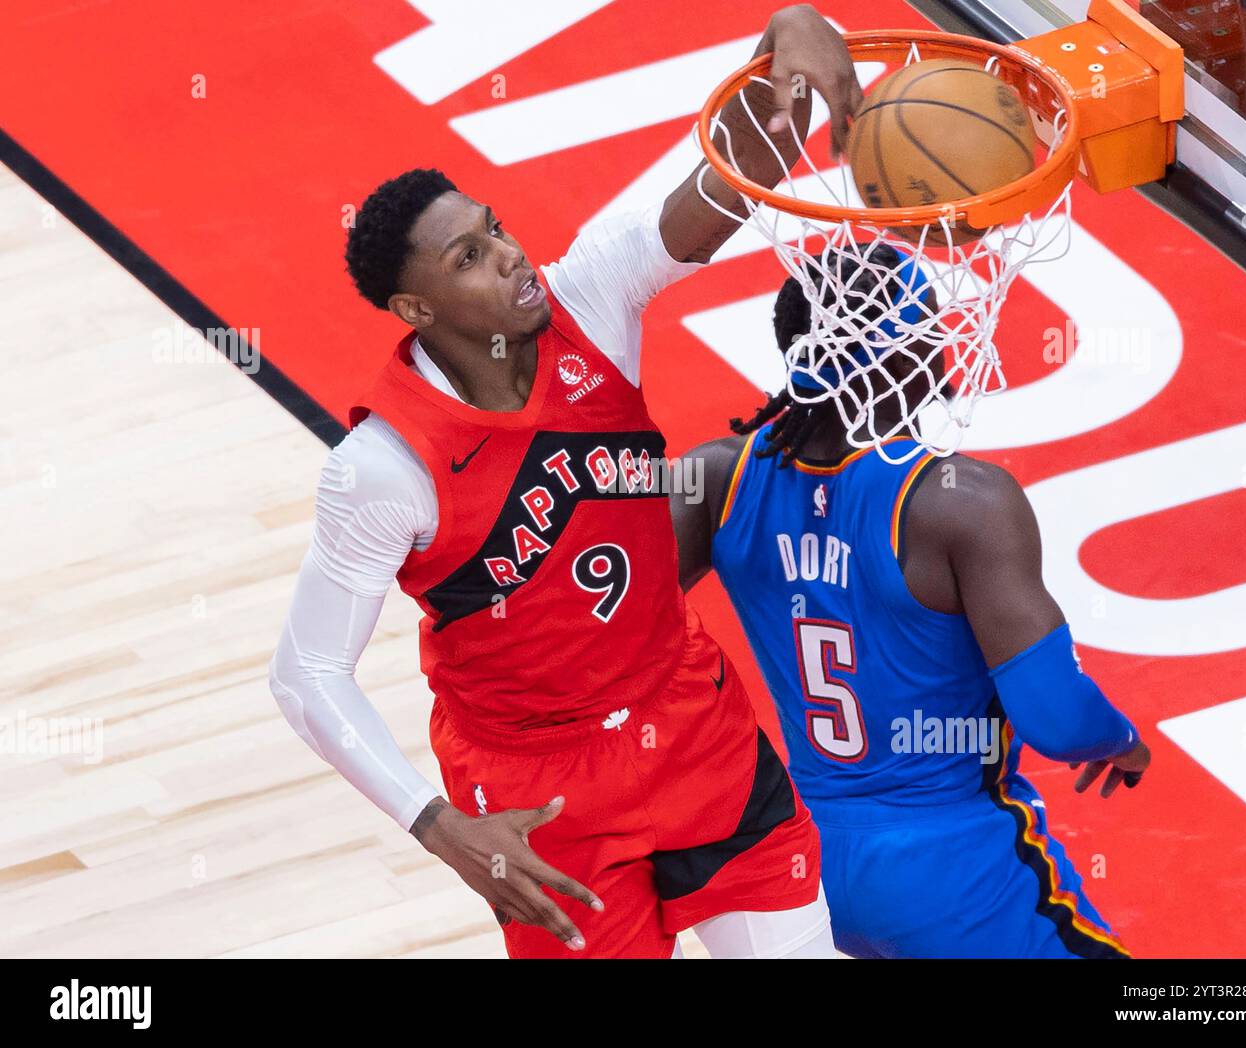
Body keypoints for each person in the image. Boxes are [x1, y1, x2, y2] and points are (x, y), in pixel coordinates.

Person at [269, 5, 864, 959]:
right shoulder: (382, 468)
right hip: (541, 800)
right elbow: (304, 672)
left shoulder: (592, 295)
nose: (509, 255)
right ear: (417, 308)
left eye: (496, 229)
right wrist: (440, 825)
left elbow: (726, 176)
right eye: (470, 256)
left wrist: (791, 40)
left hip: (687, 720)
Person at [669, 244, 1152, 958]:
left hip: (802, 865)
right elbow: (1055, 716)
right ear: (893, 358)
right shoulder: (964, 505)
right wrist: (1121, 739)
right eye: (927, 322)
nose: (942, 337)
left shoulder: (715, 479)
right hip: (954, 869)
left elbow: (606, 636)